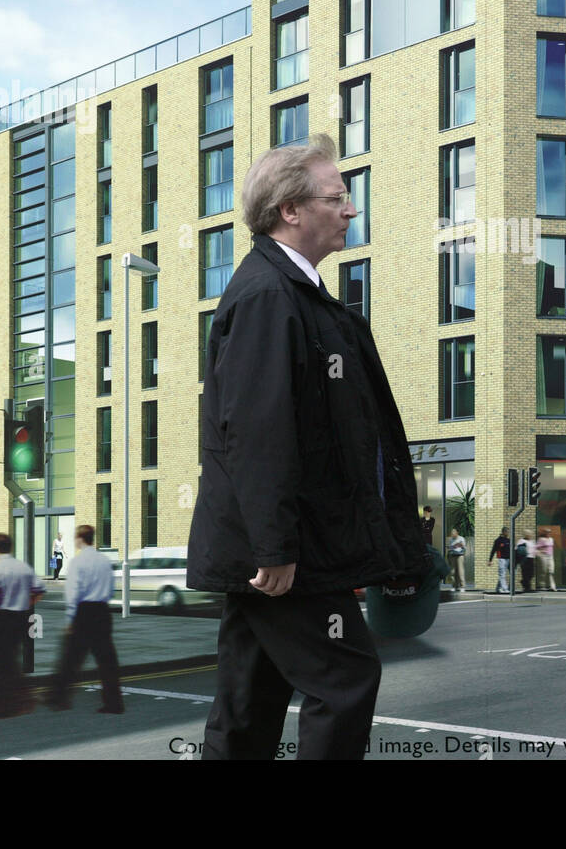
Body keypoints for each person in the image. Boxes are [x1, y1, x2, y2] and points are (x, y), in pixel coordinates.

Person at [186, 136, 427, 761]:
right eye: (338, 196)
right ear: (291, 209)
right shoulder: (271, 297)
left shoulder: (297, 295)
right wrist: (275, 545)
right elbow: (258, 431)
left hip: (282, 545)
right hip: (288, 552)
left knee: (249, 702)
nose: (350, 209)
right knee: (345, 679)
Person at [47, 525, 123, 714]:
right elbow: (110, 589)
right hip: (102, 611)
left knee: (70, 658)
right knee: (107, 661)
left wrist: (70, 619)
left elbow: (73, 593)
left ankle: (58, 698)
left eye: (76, 537)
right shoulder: (105, 561)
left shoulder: (77, 562)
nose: (75, 540)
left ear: (80, 539)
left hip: (84, 612)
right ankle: (114, 703)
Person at [0, 532, 45, 719]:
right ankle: (22, 698)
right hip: (21, 618)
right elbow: (40, 590)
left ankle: (4, 705)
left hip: (3, 618)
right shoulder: (23, 567)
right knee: (10, 661)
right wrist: (26, 604)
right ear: (11, 547)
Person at [490, 527, 511, 593]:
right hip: (501, 559)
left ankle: (498, 588)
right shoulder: (498, 540)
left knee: (502, 574)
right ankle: (505, 588)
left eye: (508, 532)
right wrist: (490, 560)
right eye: (507, 532)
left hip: (508, 559)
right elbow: (493, 550)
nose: (508, 533)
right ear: (503, 532)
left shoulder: (508, 540)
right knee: (502, 574)